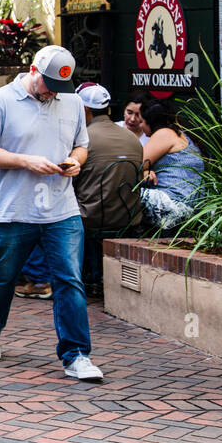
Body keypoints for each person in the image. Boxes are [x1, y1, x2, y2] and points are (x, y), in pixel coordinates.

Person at [0, 45, 104, 382]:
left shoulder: (70, 100)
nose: (52, 93)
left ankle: (76, 355)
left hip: (62, 207)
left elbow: (81, 144)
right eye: (48, 84)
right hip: (15, 208)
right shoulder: (0, 100)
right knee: (3, 275)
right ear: (32, 70)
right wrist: (25, 160)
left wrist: (77, 161)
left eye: (60, 86)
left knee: (69, 279)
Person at [73, 83, 145, 292]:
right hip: (127, 217)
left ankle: (43, 280)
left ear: (84, 109)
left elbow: (69, 182)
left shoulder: (83, 138)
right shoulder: (132, 138)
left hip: (91, 216)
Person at [138, 99, 204, 227]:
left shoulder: (165, 134)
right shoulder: (182, 135)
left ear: (151, 122)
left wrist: (143, 170)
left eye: (141, 121)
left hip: (171, 203)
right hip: (192, 206)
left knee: (118, 191)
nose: (139, 126)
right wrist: (146, 171)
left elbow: (134, 165)